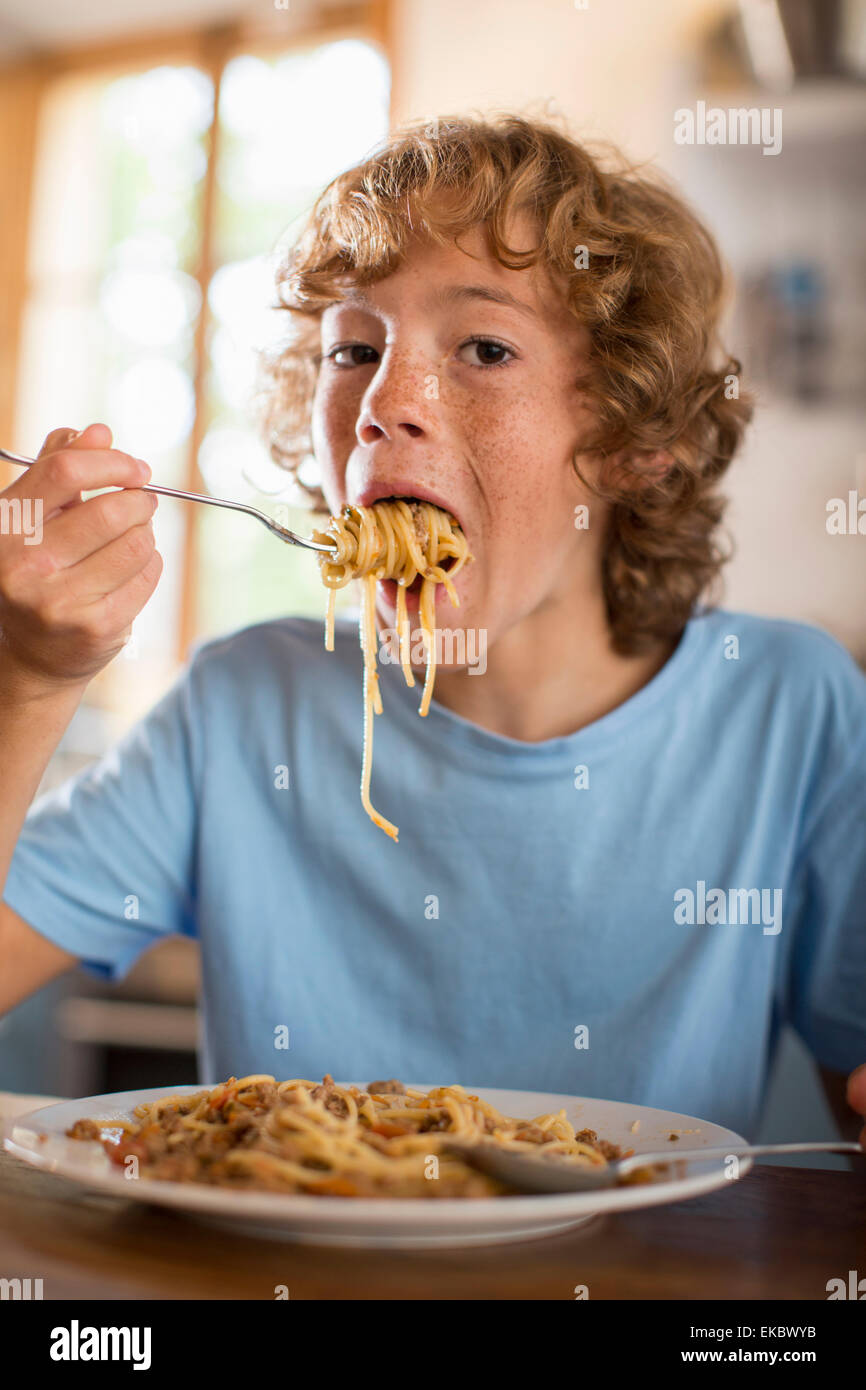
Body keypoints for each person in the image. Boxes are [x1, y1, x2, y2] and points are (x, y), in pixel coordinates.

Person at [1, 116, 864, 1146]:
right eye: (353, 349)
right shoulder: (240, 706)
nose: (382, 403)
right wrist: (28, 679)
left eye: (484, 348)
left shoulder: (784, 705)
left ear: (641, 441)